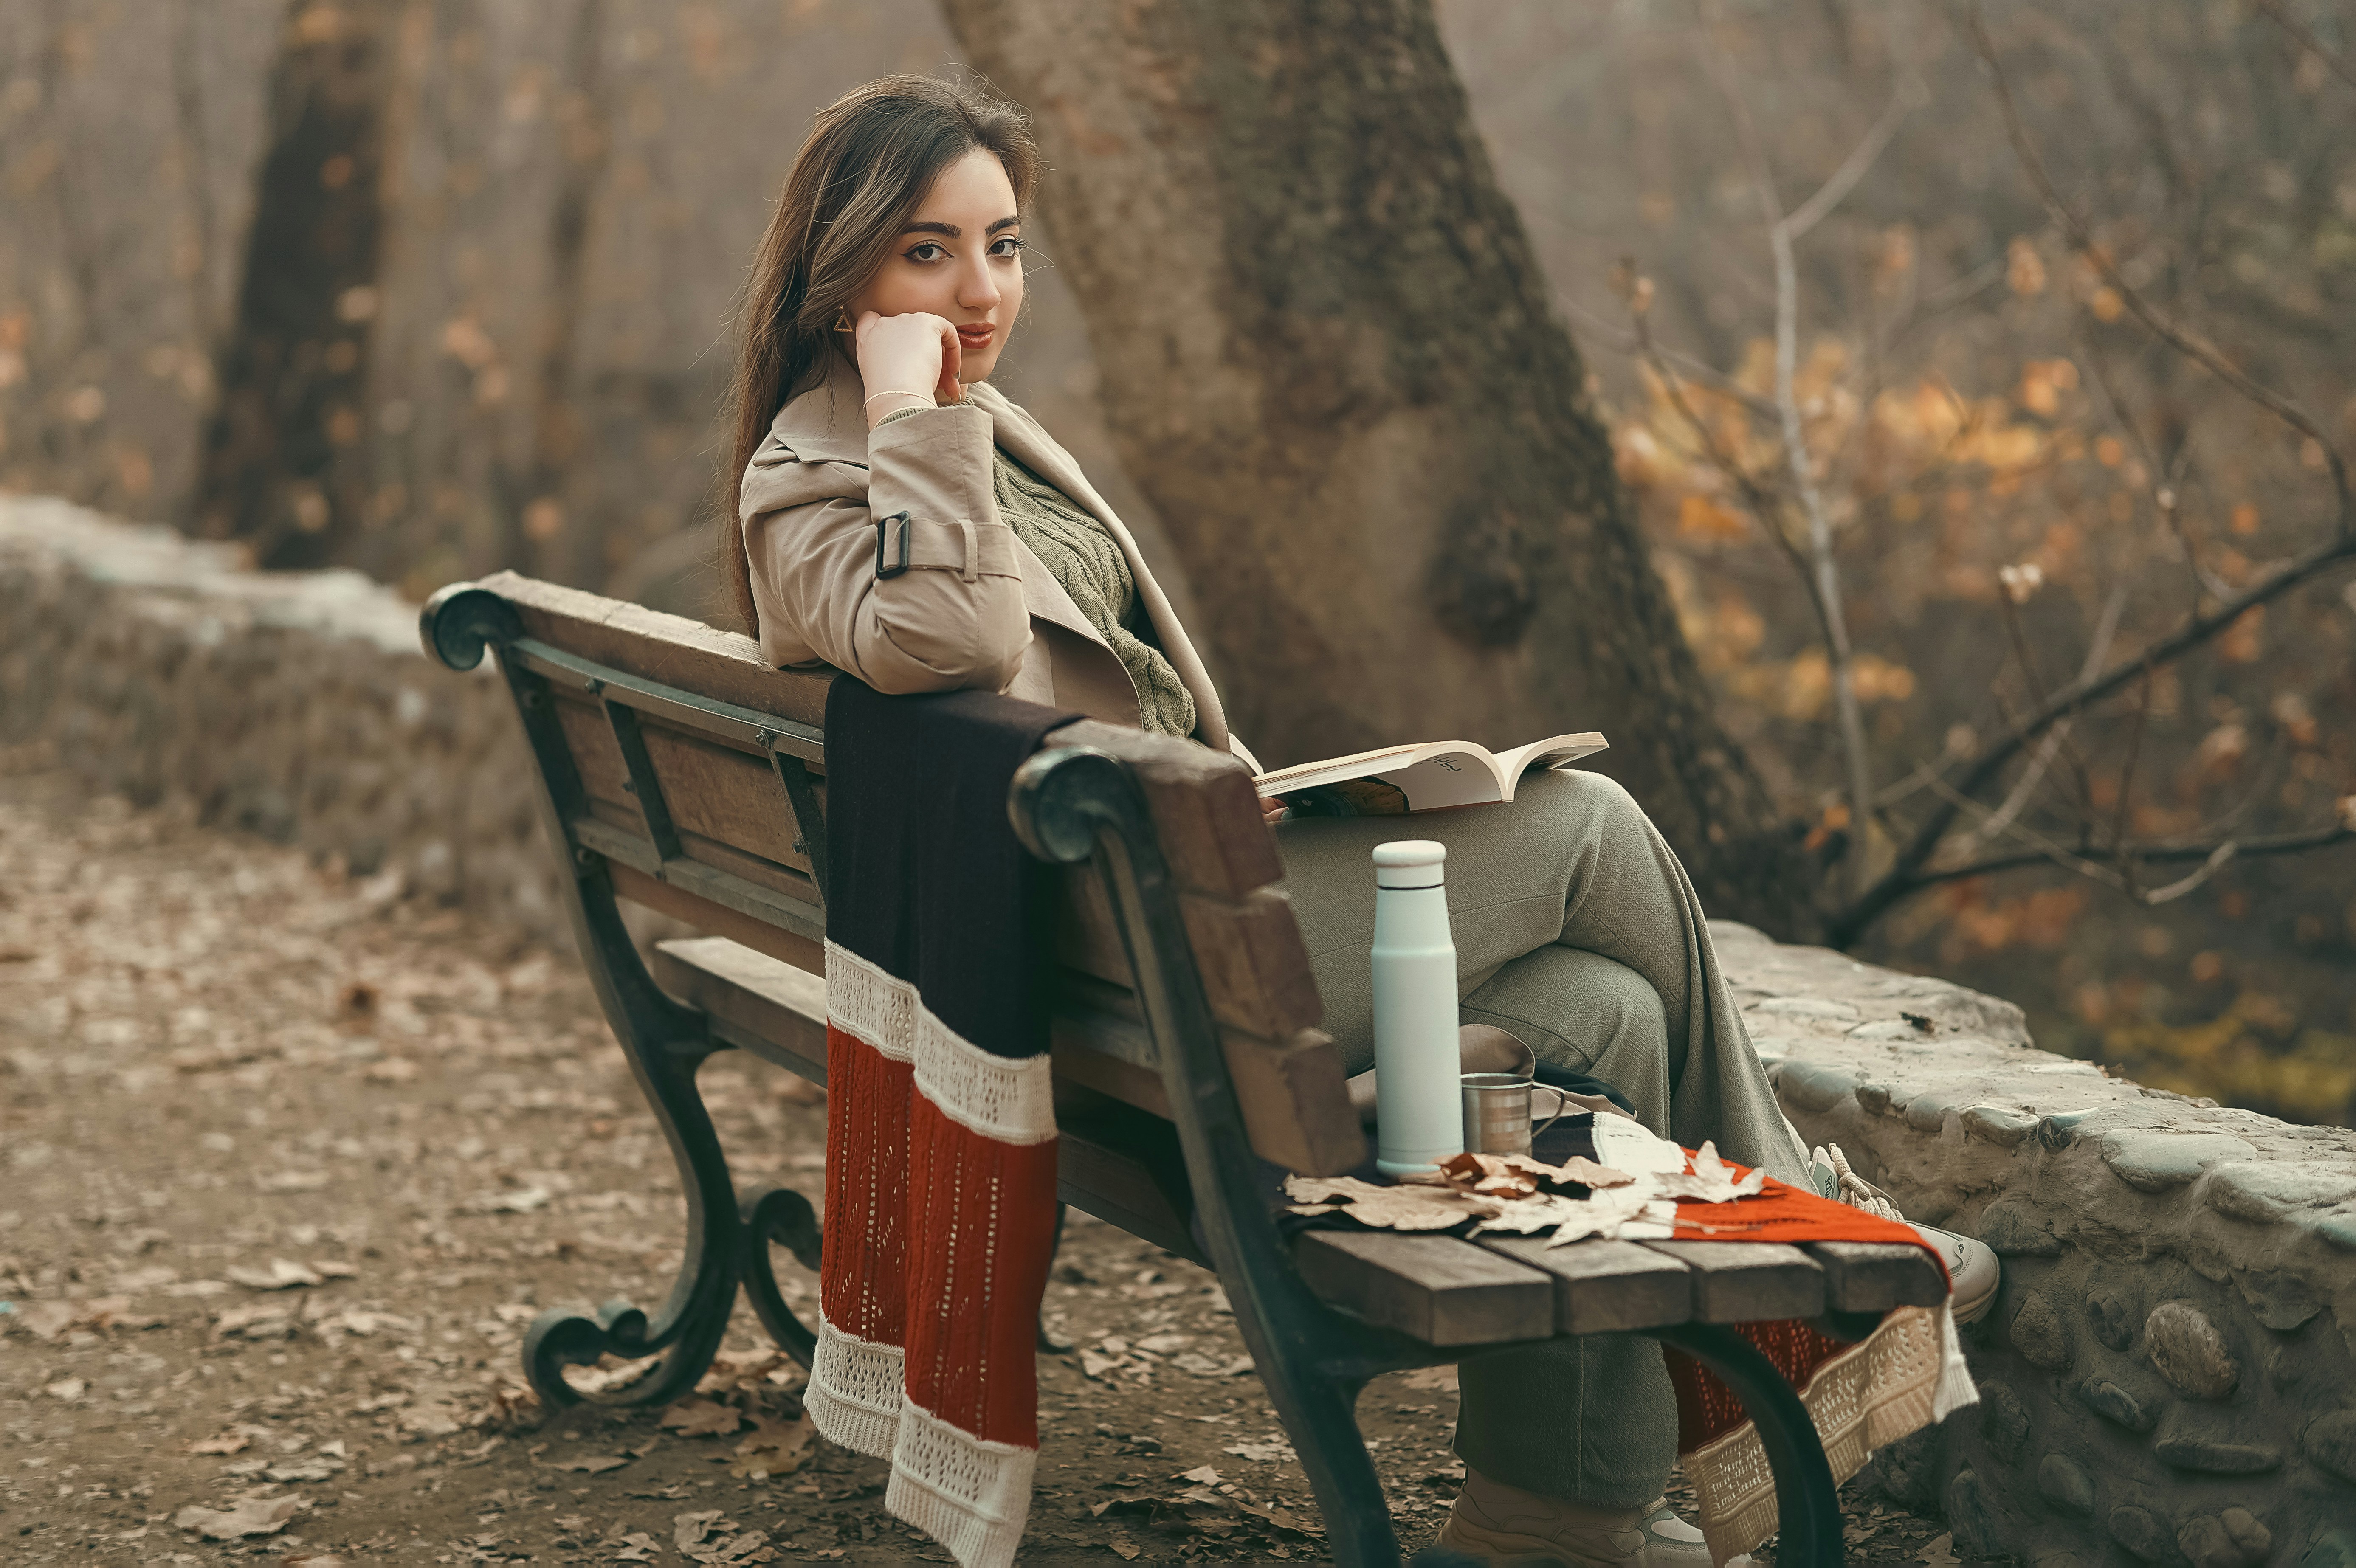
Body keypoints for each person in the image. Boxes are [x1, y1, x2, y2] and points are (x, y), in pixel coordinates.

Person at [718, 75, 1994, 1568]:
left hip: (1149, 923)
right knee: (1586, 824)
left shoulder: (980, 434)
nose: (981, 289)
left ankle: (1553, 1510)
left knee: (1603, 1009)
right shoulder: (809, 483)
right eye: (928, 251)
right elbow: (940, 641)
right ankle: (1800, 1220)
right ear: (841, 267)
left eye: (1003, 245)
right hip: (1123, 977)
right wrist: (907, 412)